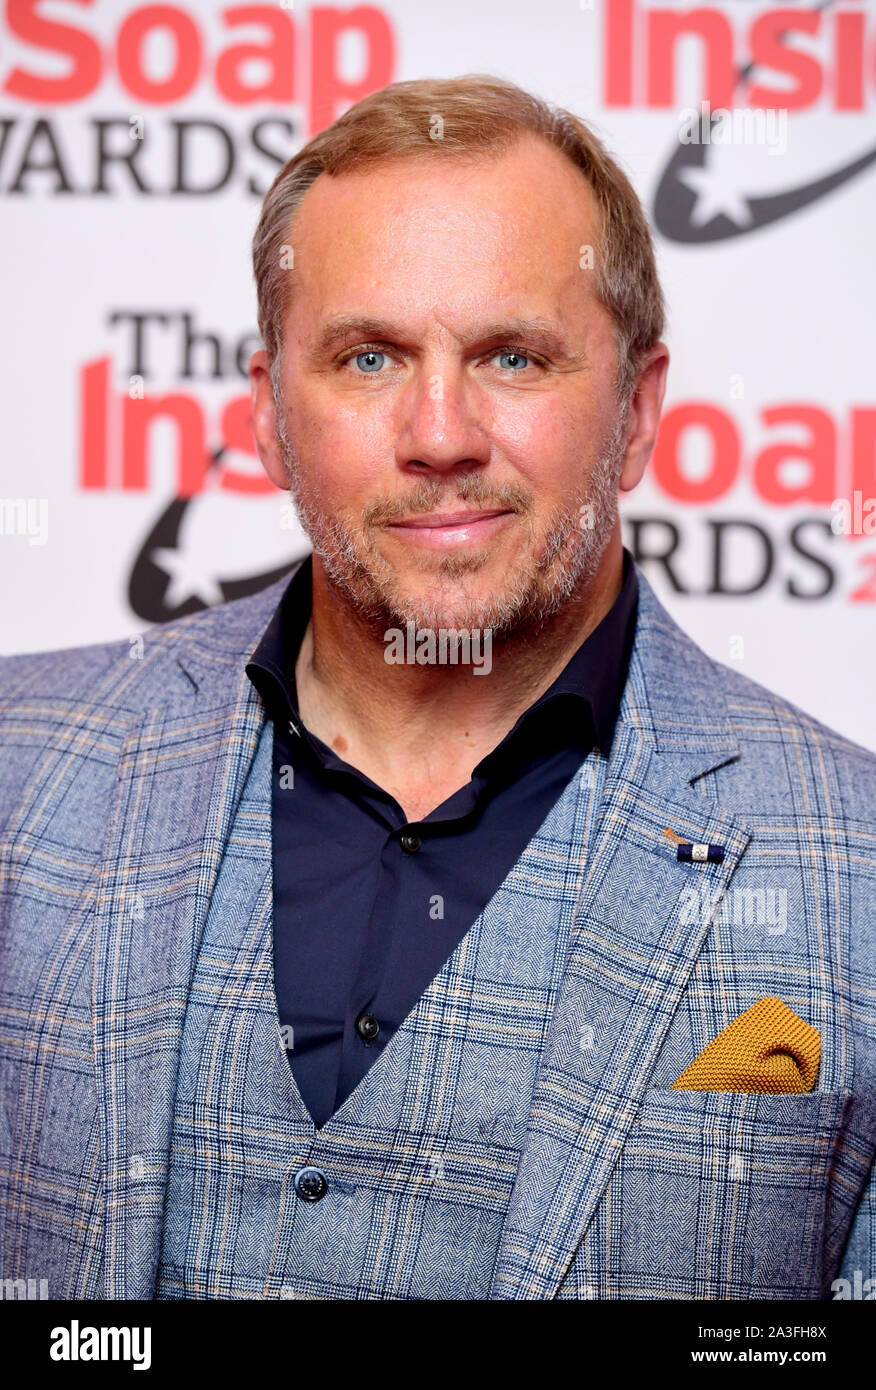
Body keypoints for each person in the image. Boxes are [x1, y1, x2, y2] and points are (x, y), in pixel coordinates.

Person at [0, 74, 873, 1301]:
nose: (440, 430)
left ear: (635, 411)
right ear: (265, 416)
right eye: (368, 357)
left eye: (514, 355)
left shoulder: (857, 868)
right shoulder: (20, 766)